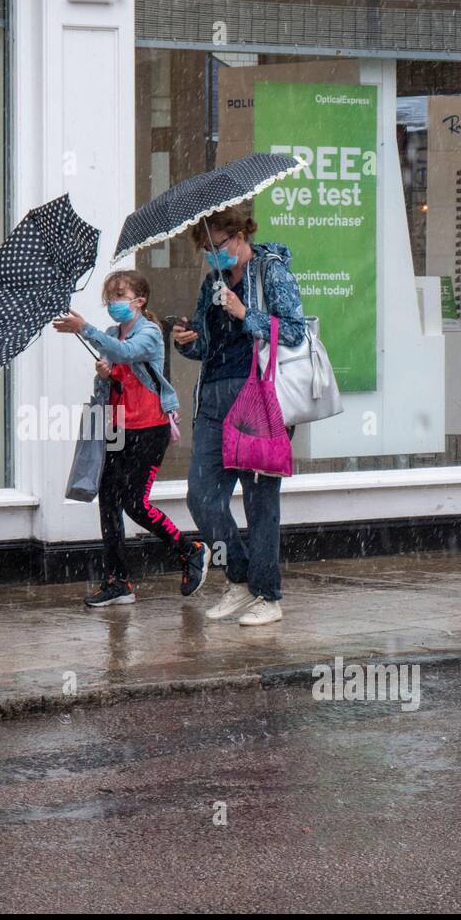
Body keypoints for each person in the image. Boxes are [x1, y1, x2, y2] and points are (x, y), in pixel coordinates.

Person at [172, 204, 305, 627]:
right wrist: (186, 340)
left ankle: (268, 595)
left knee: (259, 501)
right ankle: (240, 578)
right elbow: (205, 346)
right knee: (201, 496)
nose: (213, 255)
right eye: (206, 249)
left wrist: (245, 313)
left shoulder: (271, 271)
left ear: (241, 235)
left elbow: (294, 330)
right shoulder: (212, 281)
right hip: (214, 397)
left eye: (219, 245)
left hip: (259, 397)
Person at [55, 270, 211, 607]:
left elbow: (125, 353)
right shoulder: (111, 333)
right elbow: (117, 369)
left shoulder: (150, 333)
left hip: (149, 428)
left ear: (140, 300)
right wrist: (106, 375)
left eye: (120, 296)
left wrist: (84, 329)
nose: (114, 303)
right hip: (116, 426)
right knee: (109, 503)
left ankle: (191, 550)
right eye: (109, 297)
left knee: (135, 503)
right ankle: (118, 581)